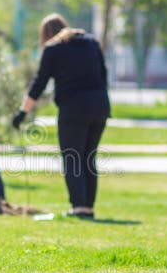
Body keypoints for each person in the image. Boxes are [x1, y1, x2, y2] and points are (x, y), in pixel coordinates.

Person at [12, 13, 111, 219]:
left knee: (72, 158)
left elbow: (39, 83)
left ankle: (79, 207)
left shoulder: (53, 49)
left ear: (46, 33)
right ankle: (88, 207)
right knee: (88, 157)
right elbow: (103, 74)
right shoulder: (91, 42)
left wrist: (22, 112)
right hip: (100, 105)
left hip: (73, 108)